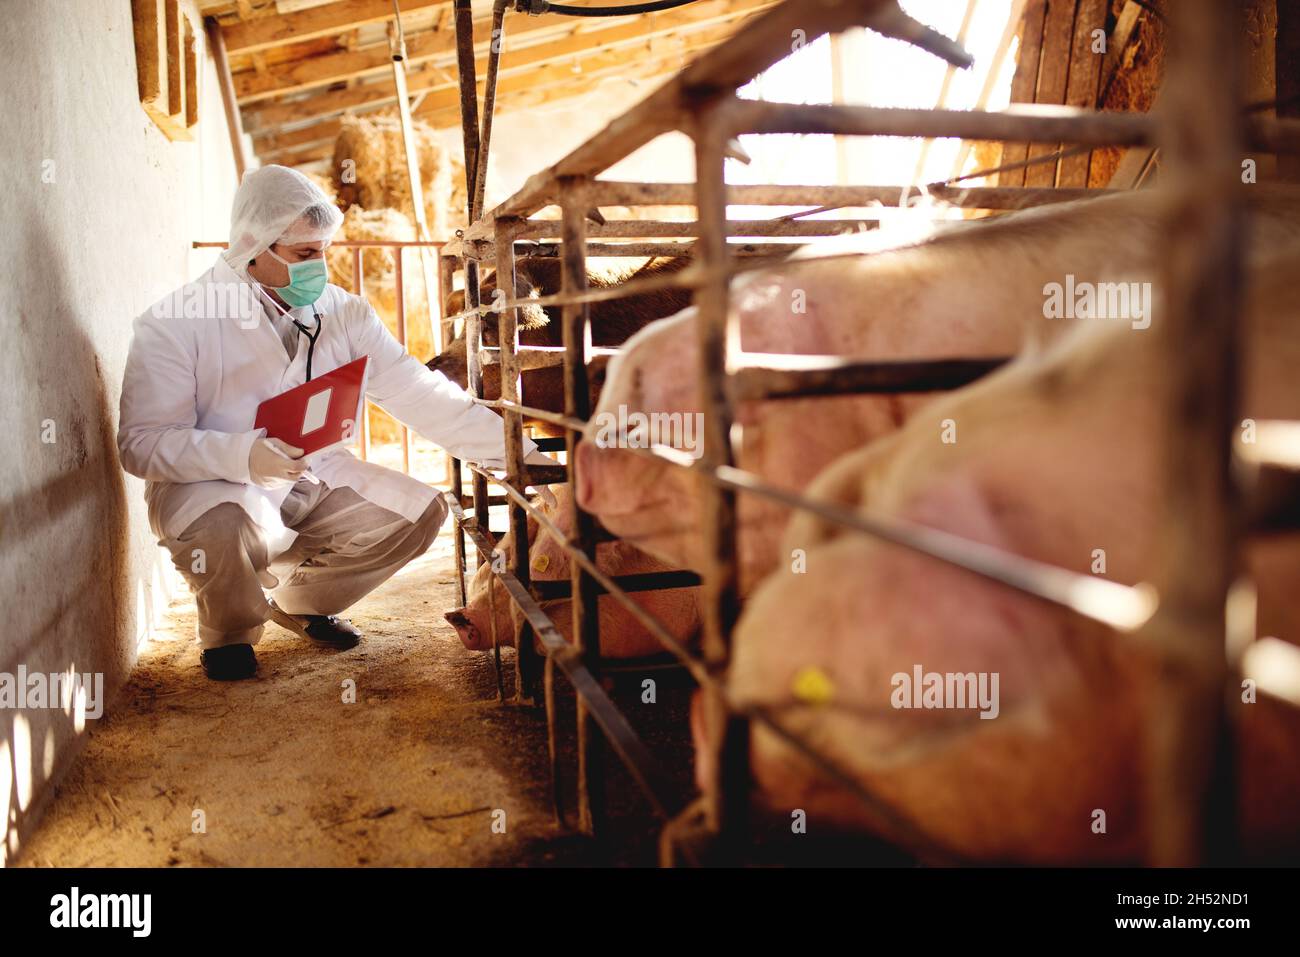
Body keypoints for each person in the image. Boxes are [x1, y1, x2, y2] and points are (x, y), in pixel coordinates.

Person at [118, 165, 555, 680]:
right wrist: (242, 455)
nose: (319, 266)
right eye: (305, 254)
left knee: (420, 513)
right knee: (227, 526)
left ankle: (301, 601)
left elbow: (419, 393)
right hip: (214, 486)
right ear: (254, 247)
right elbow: (141, 444)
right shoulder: (175, 322)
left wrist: (531, 464)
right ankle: (228, 633)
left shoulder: (344, 313)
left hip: (312, 475)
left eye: (325, 250)